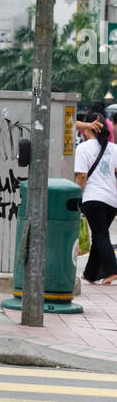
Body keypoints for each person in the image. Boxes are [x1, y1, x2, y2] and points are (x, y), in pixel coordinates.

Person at [75, 111, 117, 285]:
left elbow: (82, 177)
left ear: (88, 127)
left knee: (100, 235)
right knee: (100, 235)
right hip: (112, 200)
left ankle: (112, 271)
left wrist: (77, 198)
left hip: (93, 199)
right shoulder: (114, 148)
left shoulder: (83, 148)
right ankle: (90, 273)